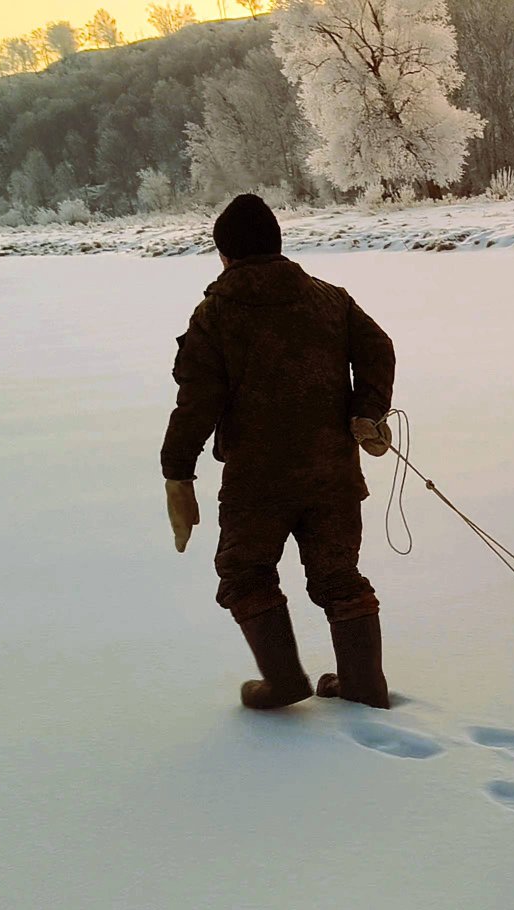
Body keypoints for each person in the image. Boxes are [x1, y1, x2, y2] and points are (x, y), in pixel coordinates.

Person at [161, 193, 396, 710]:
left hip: (256, 480)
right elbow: (378, 349)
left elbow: (196, 402)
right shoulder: (329, 298)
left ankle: (286, 682)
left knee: (245, 573)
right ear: (277, 244)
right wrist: (368, 410)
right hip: (331, 471)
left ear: (224, 255)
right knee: (338, 575)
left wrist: (177, 474)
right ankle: (364, 685)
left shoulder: (216, 315)